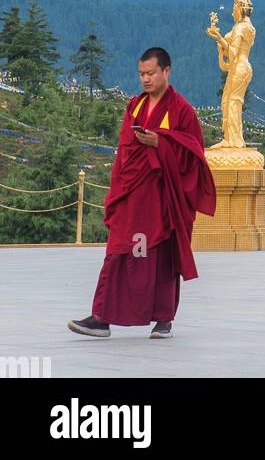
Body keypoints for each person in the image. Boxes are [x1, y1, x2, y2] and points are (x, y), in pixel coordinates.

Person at [67, 47, 216, 339]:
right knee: (119, 251)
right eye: (141, 74)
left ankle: (163, 319)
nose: (145, 79)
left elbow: (194, 154)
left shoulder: (182, 111)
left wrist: (161, 144)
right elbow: (125, 151)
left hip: (163, 199)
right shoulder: (134, 106)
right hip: (132, 194)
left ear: (167, 72)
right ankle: (102, 316)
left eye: (151, 73)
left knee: (160, 255)